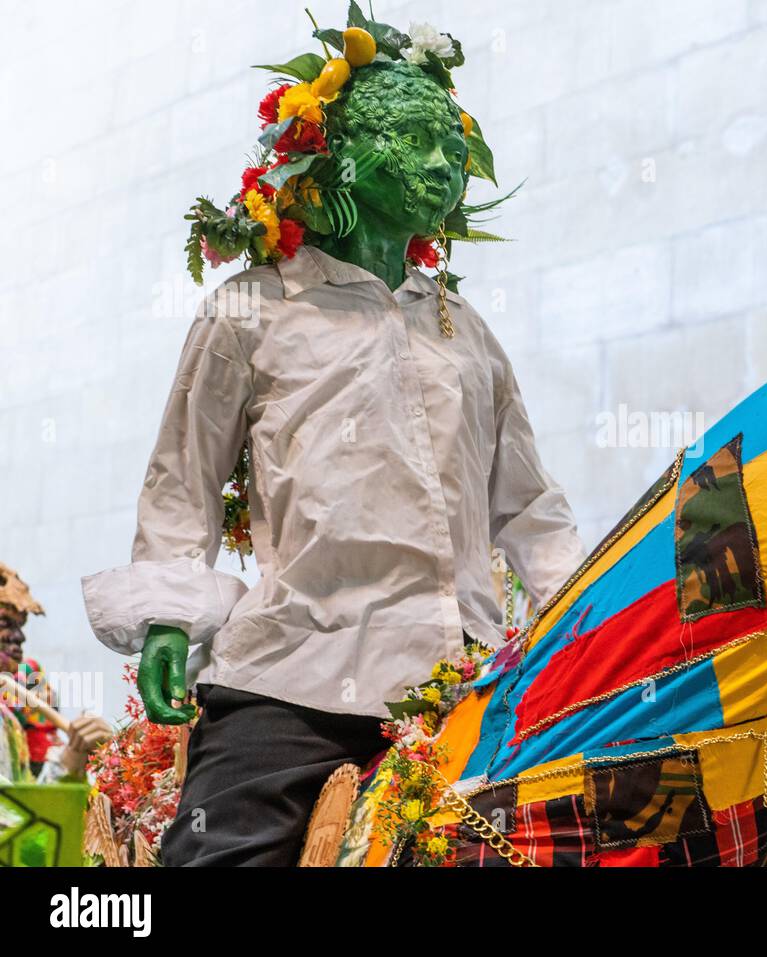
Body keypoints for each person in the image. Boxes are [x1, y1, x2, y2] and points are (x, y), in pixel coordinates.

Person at [81, 18, 584, 866]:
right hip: (294, 672)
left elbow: (530, 508)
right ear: (331, 153)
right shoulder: (253, 307)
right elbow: (184, 477)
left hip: (463, 688)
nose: (440, 164)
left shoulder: (466, 331)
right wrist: (168, 616)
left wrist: (590, 624)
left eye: (449, 145)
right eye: (411, 138)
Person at [0, 564, 112, 785]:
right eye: (5, 623)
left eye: (20, 626)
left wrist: (74, 753)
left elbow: (27, 799)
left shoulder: (24, 682)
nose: (20, 637)